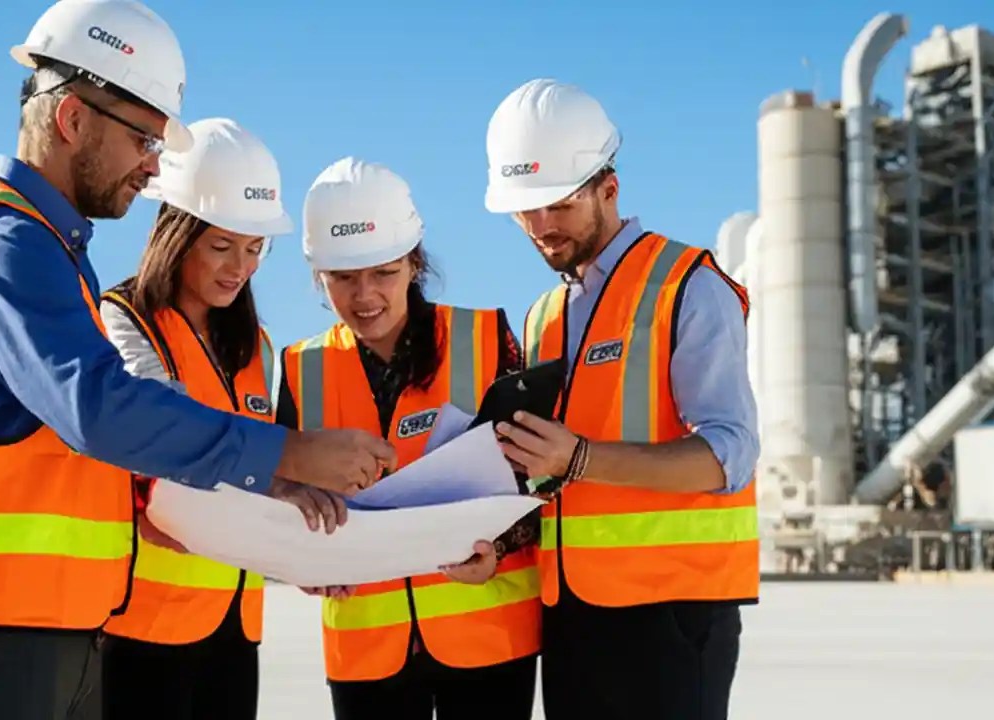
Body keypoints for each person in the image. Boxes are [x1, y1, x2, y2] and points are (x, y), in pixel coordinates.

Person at [0, 2, 394, 717]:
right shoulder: (8, 243)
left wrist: (282, 507)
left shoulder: (52, 252)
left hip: (43, 634)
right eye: (142, 138)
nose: (153, 164)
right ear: (71, 120)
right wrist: (290, 453)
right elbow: (98, 408)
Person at [482, 78, 762, 720]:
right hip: (570, 613)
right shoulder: (544, 315)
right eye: (527, 210)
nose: (542, 227)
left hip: (672, 616)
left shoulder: (688, 283)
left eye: (560, 204)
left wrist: (581, 458)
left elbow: (730, 453)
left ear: (608, 188)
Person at [274, 157, 542, 720]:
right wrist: (306, 568)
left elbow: (541, 476)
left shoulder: (486, 338)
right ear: (317, 274)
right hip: (367, 653)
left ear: (413, 262)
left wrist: (501, 547)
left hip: (487, 635)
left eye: (384, 272)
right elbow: (283, 498)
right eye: (343, 277)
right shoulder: (301, 368)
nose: (364, 294)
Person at [93, 117, 329, 719]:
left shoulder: (256, 347)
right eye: (222, 246)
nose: (240, 267)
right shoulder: (124, 321)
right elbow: (151, 451)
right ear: (175, 231)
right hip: (142, 629)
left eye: (255, 249)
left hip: (234, 629)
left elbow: (257, 474)